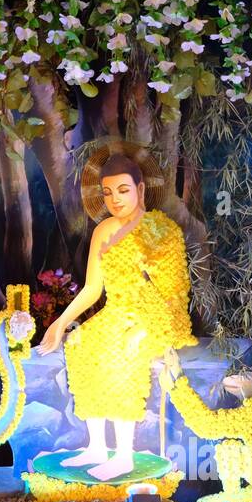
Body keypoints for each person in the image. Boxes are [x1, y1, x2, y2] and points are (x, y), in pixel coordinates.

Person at [35, 149, 197, 480]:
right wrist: (61, 323)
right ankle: (96, 446)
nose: (115, 199)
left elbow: (174, 290)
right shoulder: (104, 230)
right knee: (82, 341)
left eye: (123, 190)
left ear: (140, 189)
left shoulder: (159, 230)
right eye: (108, 192)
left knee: (124, 348)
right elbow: (93, 288)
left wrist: (146, 326)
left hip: (154, 311)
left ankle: (123, 453)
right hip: (117, 309)